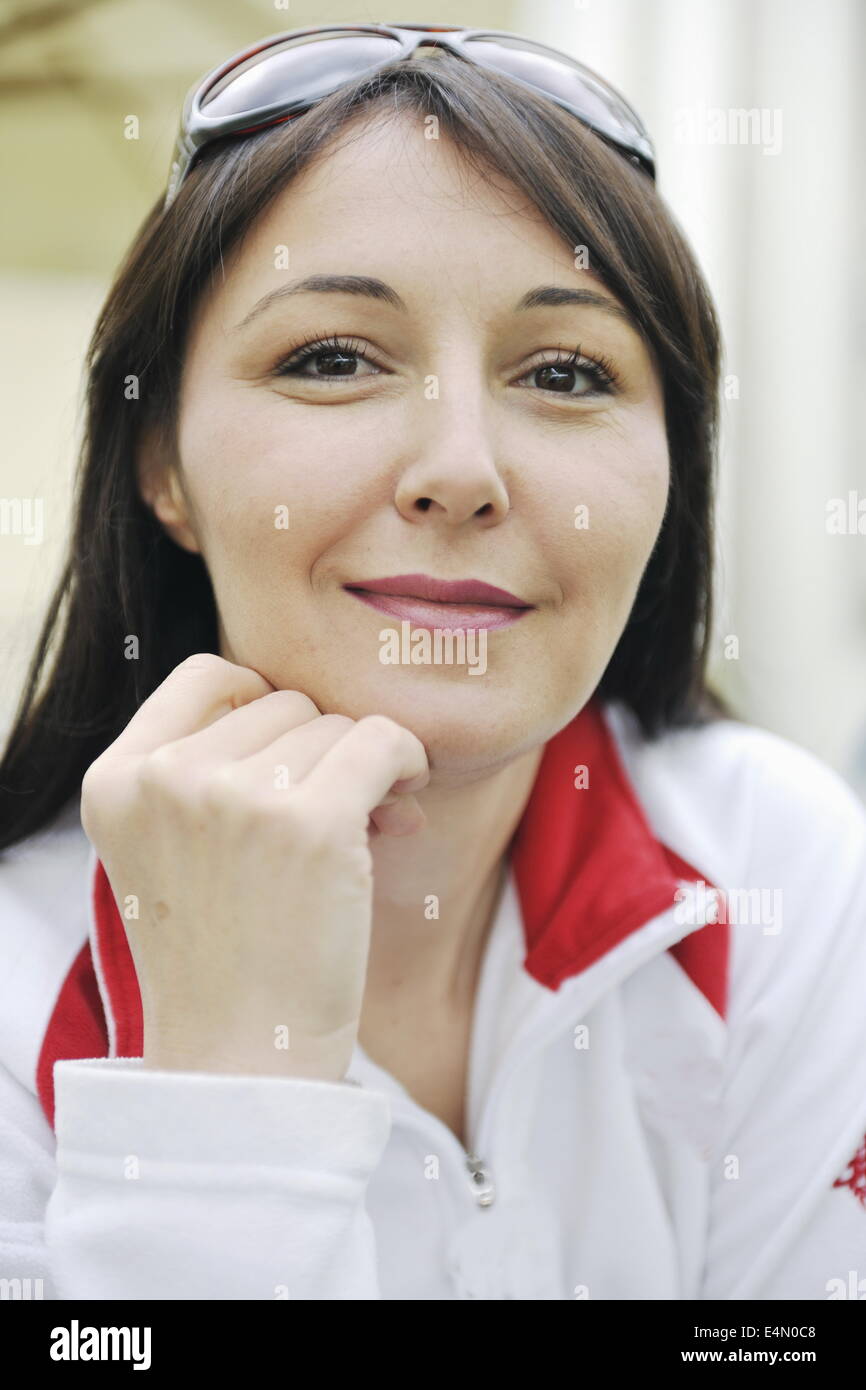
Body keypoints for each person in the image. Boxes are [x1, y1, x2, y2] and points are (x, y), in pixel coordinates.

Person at [1, 22, 864, 1302]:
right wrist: (228, 1094)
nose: (459, 467)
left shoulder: (775, 870)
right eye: (332, 358)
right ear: (162, 463)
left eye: (565, 372)